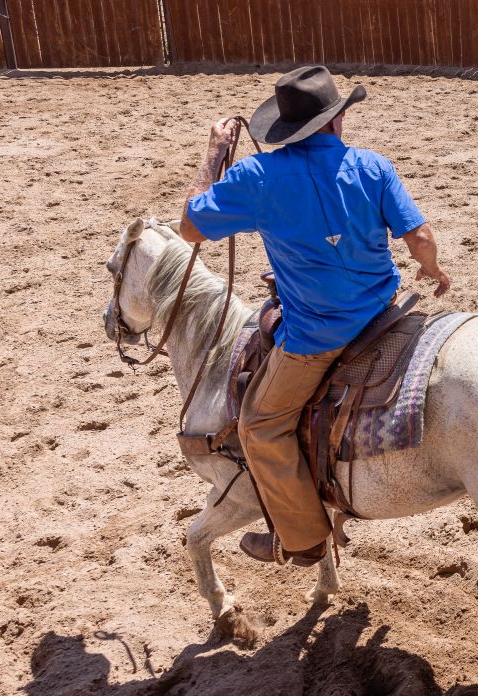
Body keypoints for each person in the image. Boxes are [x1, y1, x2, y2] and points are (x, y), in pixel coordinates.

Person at [180, 65, 451, 567]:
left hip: (316, 335)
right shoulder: (373, 166)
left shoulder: (257, 176)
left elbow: (191, 228)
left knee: (259, 425)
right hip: (381, 314)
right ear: (337, 120)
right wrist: (433, 270)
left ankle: (302, 539)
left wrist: (214, 156)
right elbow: (421, 239)